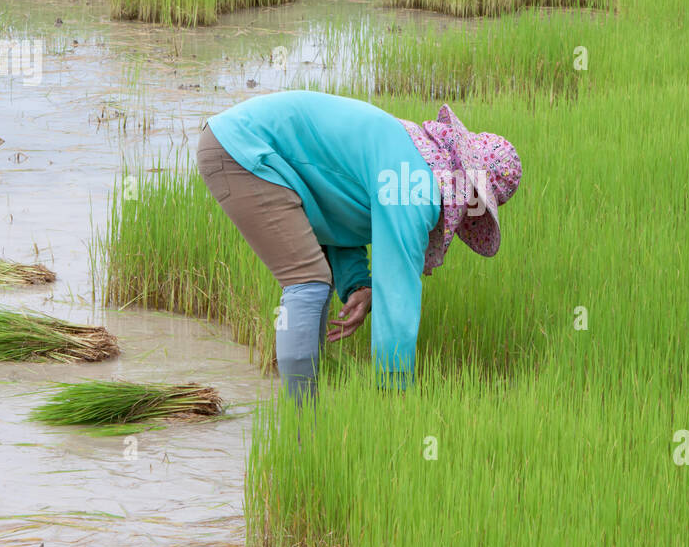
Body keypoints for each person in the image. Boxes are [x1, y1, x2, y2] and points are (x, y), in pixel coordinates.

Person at [197, 90, 521, 402]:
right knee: (307, 282)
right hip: (245, 151)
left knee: (314, 282)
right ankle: (302, 424)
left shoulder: (407, 156)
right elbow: (397, 291)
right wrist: (393, 392)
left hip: (234, 142)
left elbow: (336, 216)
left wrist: (358, 286)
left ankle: (307, 414)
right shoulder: (413, 183)